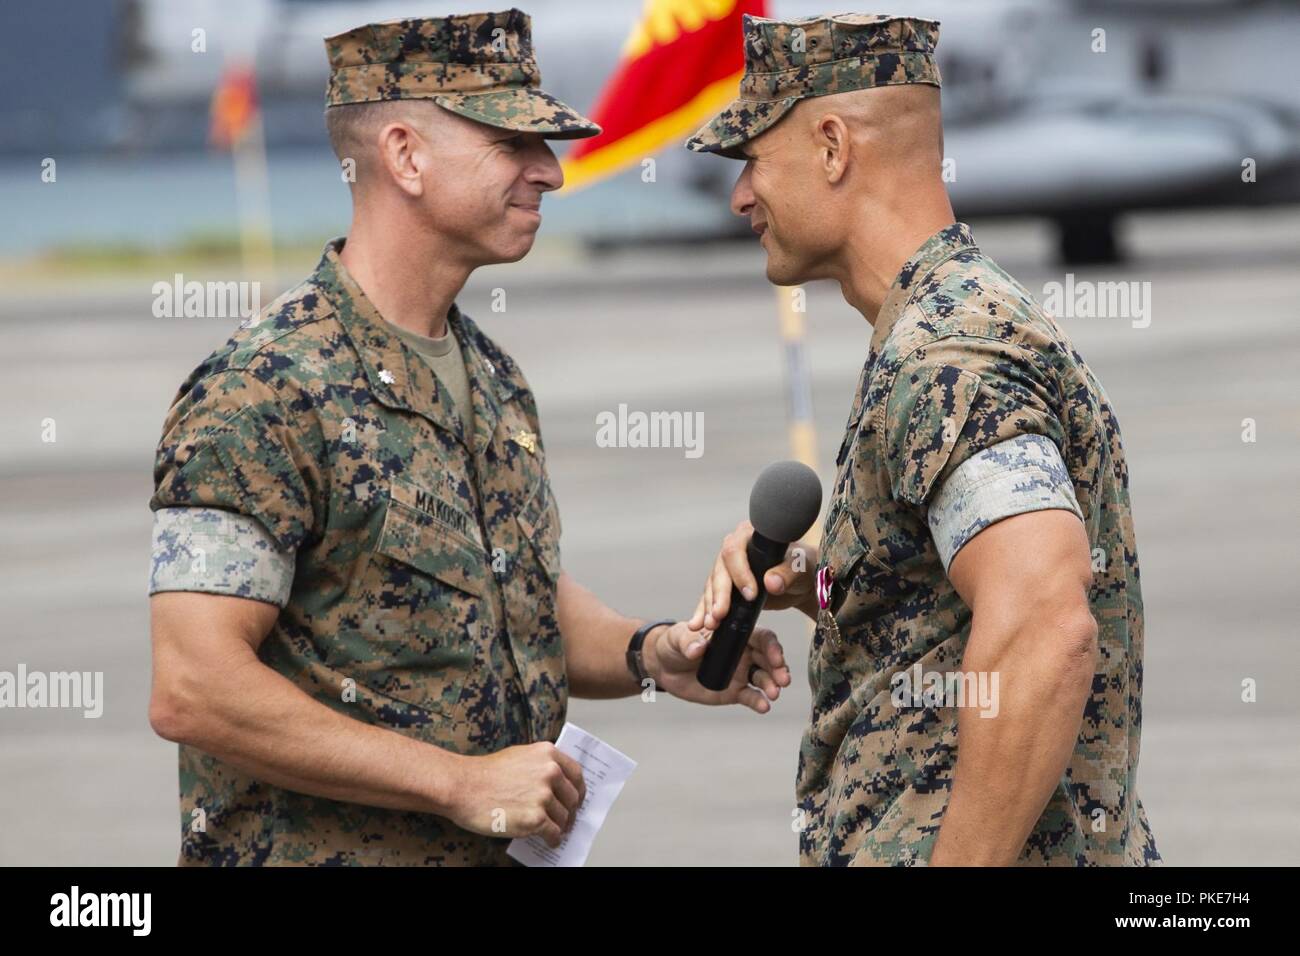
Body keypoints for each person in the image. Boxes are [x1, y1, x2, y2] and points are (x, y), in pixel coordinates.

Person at [147, 9, 789, 867]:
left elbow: (511, 594)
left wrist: (650, 653)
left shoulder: (490, 375)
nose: (551, 174)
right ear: (405, 156)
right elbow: (194, 688)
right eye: (510, 144)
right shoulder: (264, 391)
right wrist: (457, 782)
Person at [685, 12, 1160, 866]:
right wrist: (822, 578)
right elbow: (959, 595)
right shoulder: (947, 322)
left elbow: (1048, 623)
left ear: (833, 147)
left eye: (753, 158)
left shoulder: (948, 355)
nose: (741, 195)